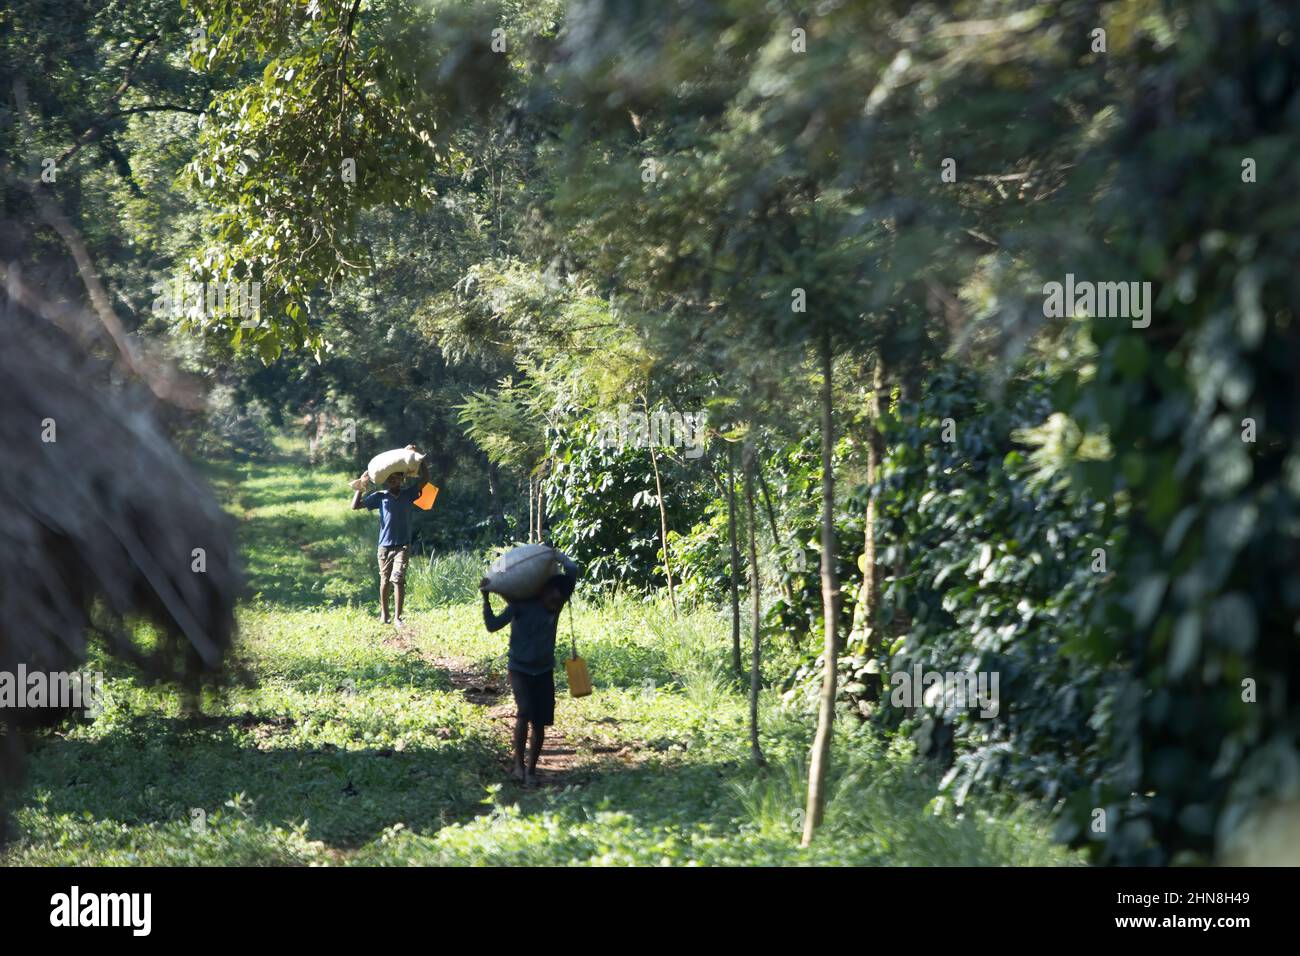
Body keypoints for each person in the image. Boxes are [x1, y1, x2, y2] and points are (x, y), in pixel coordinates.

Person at [480, 552, 578, 786]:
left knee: (540, 722)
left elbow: (572, 570)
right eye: (553, 597)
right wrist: (486, 599)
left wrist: (556, 555)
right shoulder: (520, 605)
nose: (555, 602)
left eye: (559, 600)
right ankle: (518, 766)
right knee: (524, 712)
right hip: (519, 668)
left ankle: (531, 770)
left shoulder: (555, 608)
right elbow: (493, 626)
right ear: (544, 591)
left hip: (544, 670)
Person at [351, 446, 429, 625]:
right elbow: (355, 506)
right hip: (384, 547)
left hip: (403, 545)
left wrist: (419, 458)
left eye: (396, 477)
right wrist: (361, 486)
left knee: (398, 580)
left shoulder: (409, 494)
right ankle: (384, 615)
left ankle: (397, 617)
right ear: (385, 480)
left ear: (402, 478)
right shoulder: (380, 497)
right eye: (389, 478)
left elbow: (426, 479)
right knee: (384, 581)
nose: (392, 480)